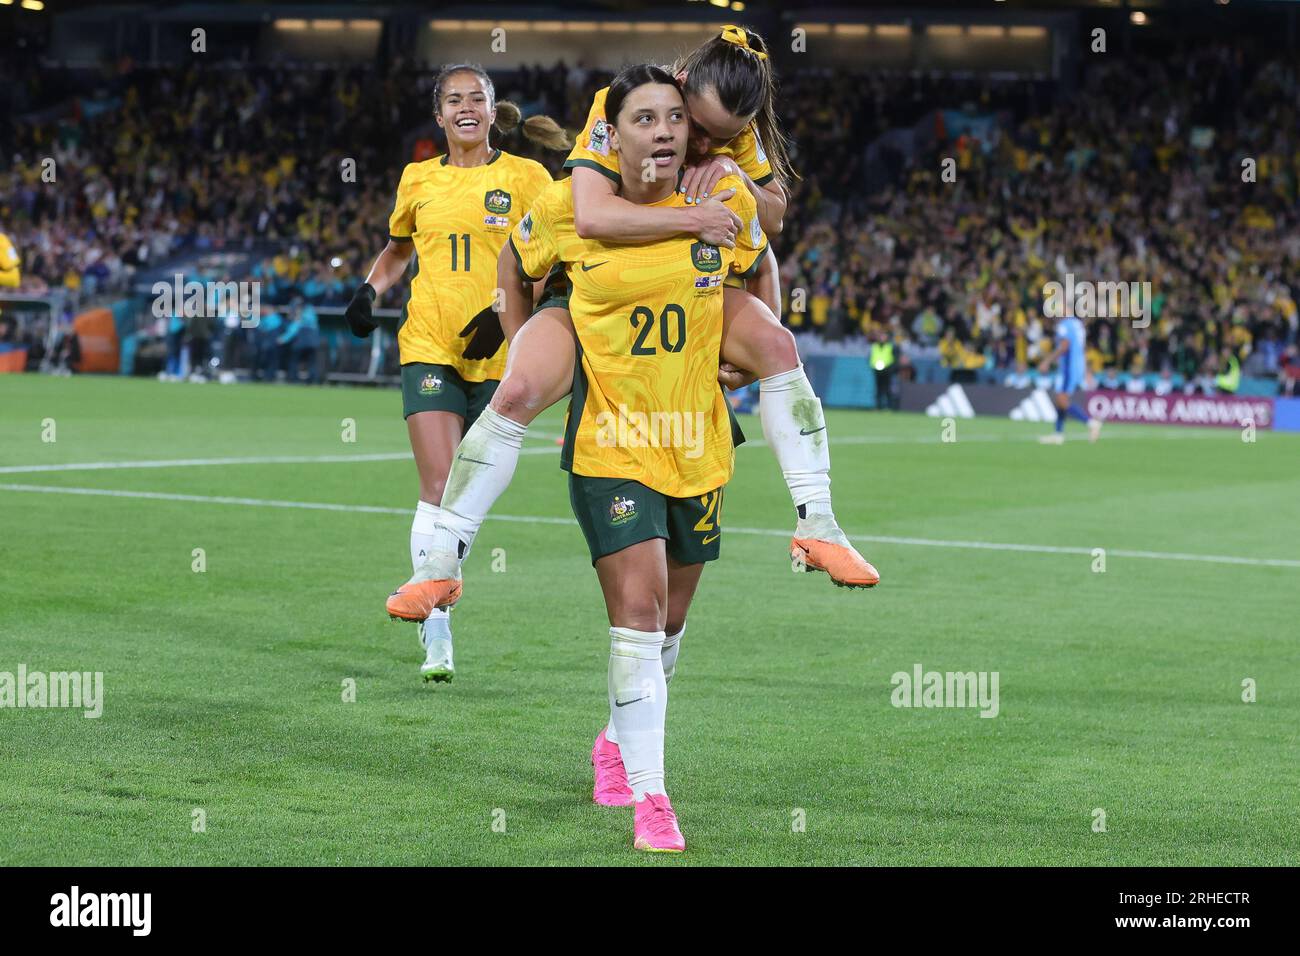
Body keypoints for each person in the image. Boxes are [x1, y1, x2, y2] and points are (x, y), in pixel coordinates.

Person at [387, 26, 880, 633]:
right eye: (689, 124)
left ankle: (818, 524)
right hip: (593, 290)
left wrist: (730, 168)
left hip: (681, 304)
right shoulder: (610, 114)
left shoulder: (727, 152)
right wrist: (520, 343)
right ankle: (442, 559)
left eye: (714, 137)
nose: (695, 142)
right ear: (672, 94)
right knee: (516, 389)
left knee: (778, 345)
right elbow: (589, 215)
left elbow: (768, 235)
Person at [476, 65, 773, 851]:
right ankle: (653, 798)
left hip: (696, 435)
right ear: (616, 132)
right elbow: (517, 260)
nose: (669, 132)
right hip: (611, 436)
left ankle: (615, 741)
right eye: (650, 118)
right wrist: (521, 344)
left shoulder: (719, 197)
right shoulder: (579, 203)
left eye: (679, 119)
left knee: (669, 623)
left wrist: (752, 342)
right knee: (637, 616)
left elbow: (764, 252)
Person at [345, 64, 565, 681]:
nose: (465, 108)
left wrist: (513, 308)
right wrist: (369, 289)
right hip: (430, 343)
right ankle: (436, 629)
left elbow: (550, 260)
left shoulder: (528, 177)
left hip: (505, 354)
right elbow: (397, 248)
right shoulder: (418, 178)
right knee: (440, 485)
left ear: (495, 111)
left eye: (477, 99)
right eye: (453, 100)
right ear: (439, 116)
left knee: (469, 491)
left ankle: (439, 579)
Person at [1038, 312, 1101, 444]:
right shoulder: (1077, 324)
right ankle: (1058, 434)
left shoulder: (1064, 325)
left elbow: (1064, 346)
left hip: (1068, 367)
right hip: (1076, 366)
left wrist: (1047, 361)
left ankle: (1090, 423)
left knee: (1062, 400)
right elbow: (1079, 346)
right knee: (1060, 399)